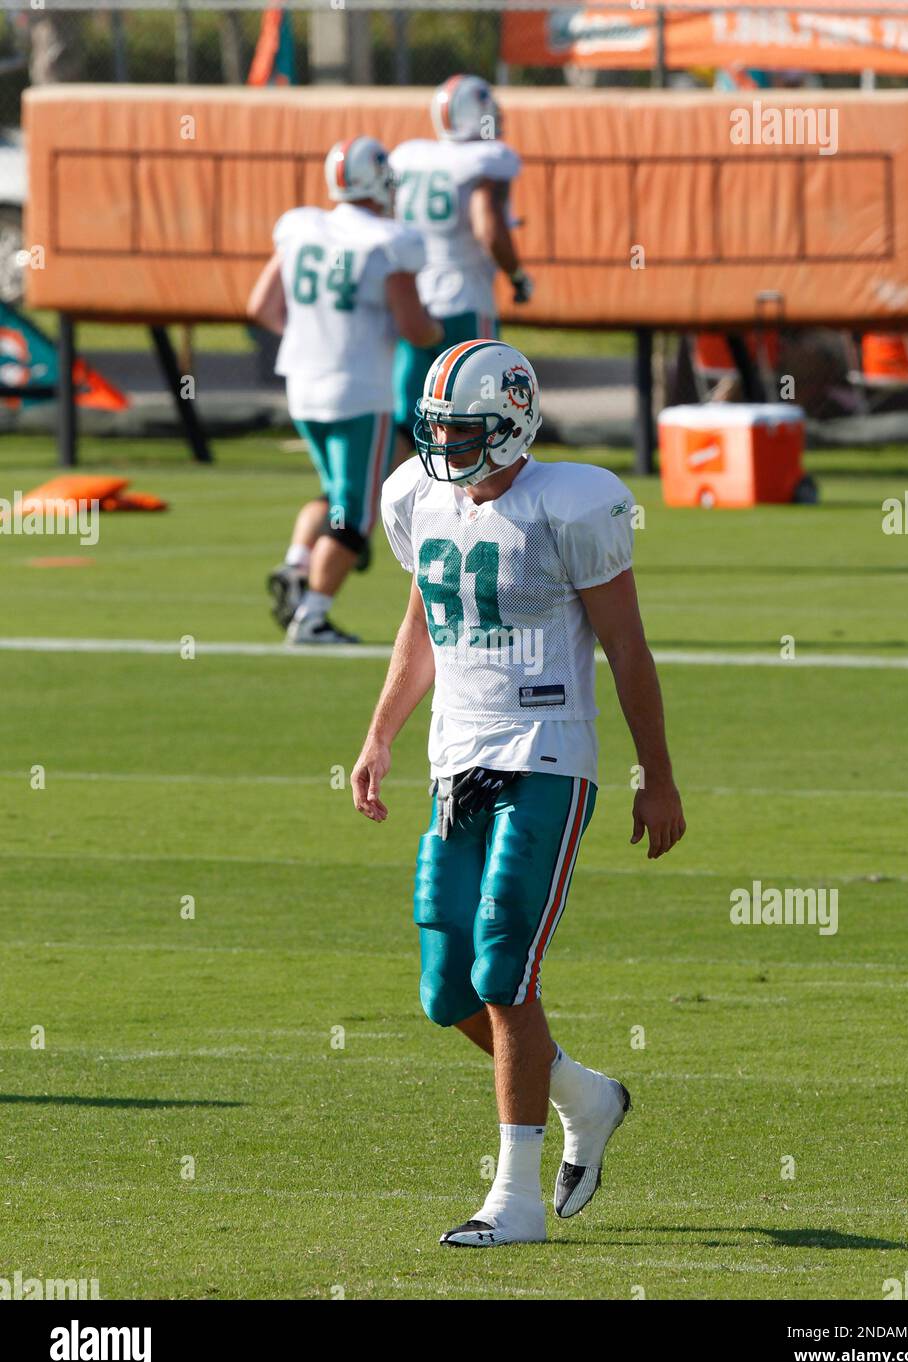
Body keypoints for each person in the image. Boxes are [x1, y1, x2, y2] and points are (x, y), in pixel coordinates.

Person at [351, 339, 686, 1246]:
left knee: (503, 967)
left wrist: (655, 776)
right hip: (455, 756)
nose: (448, 449)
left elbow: (627, 649)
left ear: (515, 424)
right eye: (440, 431)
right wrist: (380, 733)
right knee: (445, 991)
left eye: (467, 432)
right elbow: (421, 623)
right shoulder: (417, 498)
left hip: (546, 748)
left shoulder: (568, 505)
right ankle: (587, 1095)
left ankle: (516, 1200)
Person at [248, 136, 442, 644]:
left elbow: (262, 308)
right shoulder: (387, 241)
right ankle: (312, 616)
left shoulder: (302, 228)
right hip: (358, 389)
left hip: (303, 384)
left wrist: (318, 333)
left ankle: (298, 565)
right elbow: (414, 327)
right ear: (377, 183)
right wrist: (437, 333)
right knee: (356, 511)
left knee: (337, 495)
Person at [389, 75, 532, 464]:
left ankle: (409, 509)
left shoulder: (408, 157)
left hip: (417, 305)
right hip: (465, 300)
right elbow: (488, 227)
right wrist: (517, 276)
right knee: (482, 411)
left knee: (414, 418)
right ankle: (477, 516)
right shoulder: (487, 160)